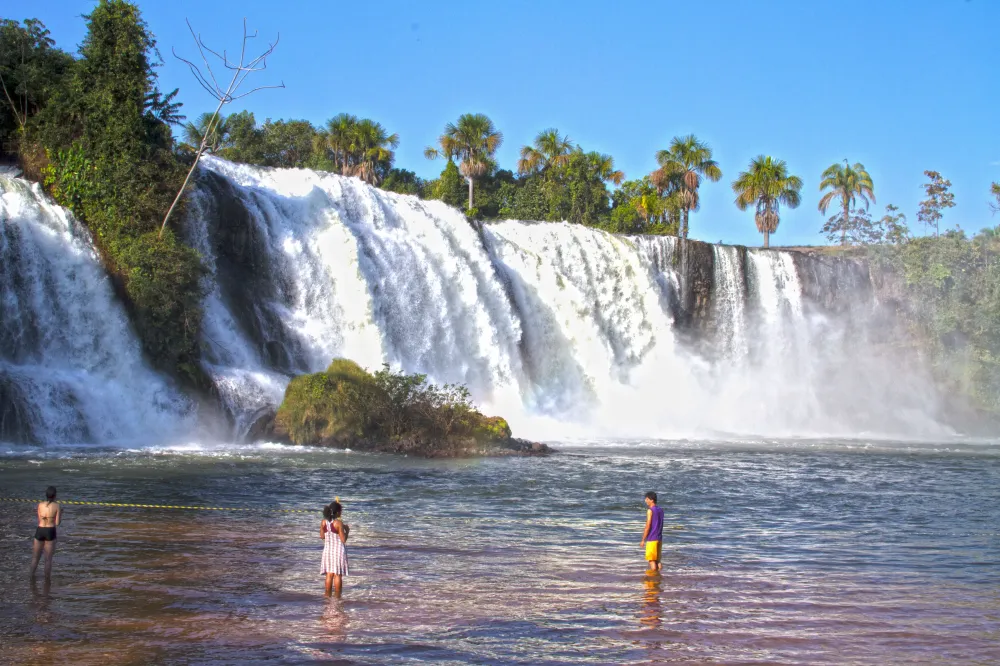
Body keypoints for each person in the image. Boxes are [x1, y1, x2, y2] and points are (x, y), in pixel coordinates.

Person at [320, 500, 350, 597]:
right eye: (340, 511)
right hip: (338, 551)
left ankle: (327, 595)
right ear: (337, 512)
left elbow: (322, 536)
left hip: (327, 550)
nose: (341, 513)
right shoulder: (338, 523)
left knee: (329, 574)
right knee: (337, 574)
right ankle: (337, 596)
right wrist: (347, 531)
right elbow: (343, 540)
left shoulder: (323, 522)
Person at [30, 486, 61, 579]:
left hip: (40, 530)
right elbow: (57, 523)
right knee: (48, 560)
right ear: (55, 495)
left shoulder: (40, 505)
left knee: (35, 558)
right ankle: (47, 581)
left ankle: (31, 578)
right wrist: (61, 514)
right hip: (50, 531)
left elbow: (40, 519)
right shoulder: (57, 506)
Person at [640, 491, 664, 574]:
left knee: (652, 560)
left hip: (652, 538)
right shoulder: (661, 510)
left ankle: (652, 578)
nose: (645, 501)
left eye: (647, 499)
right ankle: (659, 576)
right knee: (658, 561)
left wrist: (643, 539)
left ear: (652, 500)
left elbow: (648, 525)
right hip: (659, 538)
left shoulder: (650, 510)